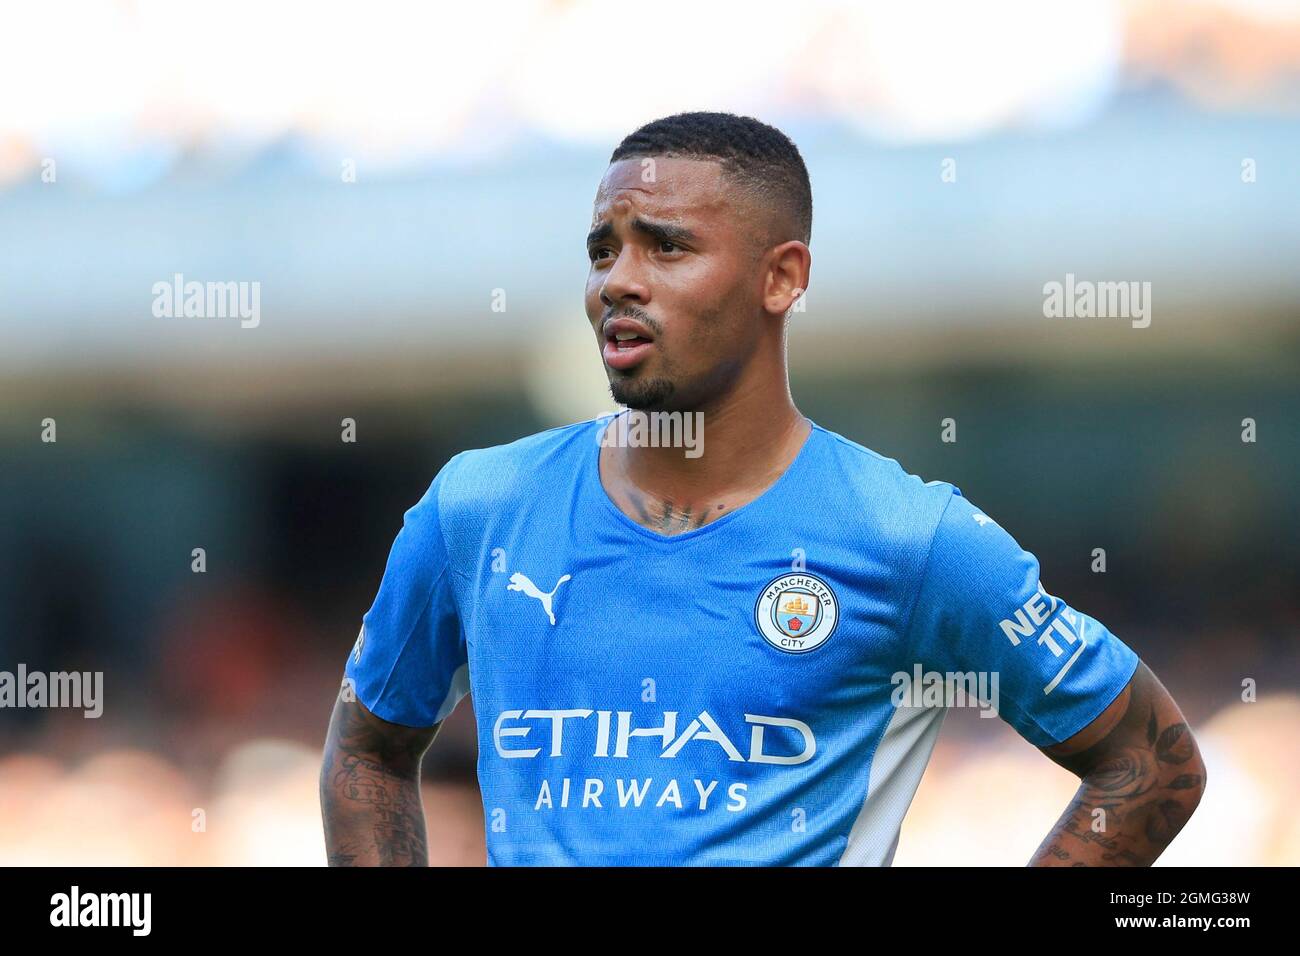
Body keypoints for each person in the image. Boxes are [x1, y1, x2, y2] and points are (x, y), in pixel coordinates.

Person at [320, 111, 1205, 866]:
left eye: (666, 247)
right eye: (603, 249)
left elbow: (1152, 764)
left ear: (783, 278)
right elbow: (368, 746)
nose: (618, 280)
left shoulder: (908, 539)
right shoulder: (478, 508)